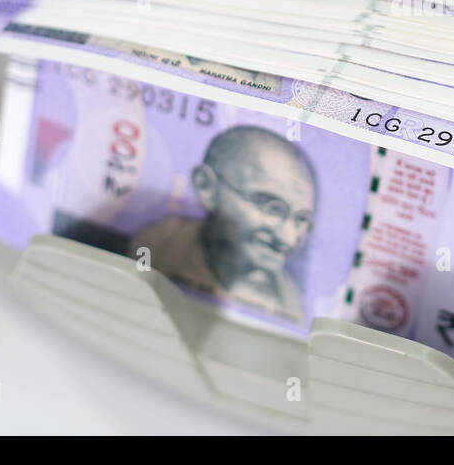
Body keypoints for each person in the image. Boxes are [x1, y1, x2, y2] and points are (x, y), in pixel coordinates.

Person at [130, 126, 316, 320]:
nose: (287, 238)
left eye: (301, 220)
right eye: (271, 208)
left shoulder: (288, 305)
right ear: (206, 186)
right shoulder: (158, 245)